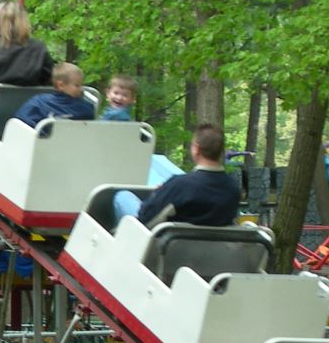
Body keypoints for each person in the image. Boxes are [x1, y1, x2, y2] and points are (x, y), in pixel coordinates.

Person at [112, 123, 241, 228]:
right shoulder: (233, 189)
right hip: (215, 253)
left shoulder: (180, 185)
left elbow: (145, 220)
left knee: (122, 196)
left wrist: (157, 195)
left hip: (170, 252)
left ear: (196, 149)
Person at [13, 62, 95, 127]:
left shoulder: (84, 108)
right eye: (77, 85)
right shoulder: (39, 103)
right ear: (61, 85)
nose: (81, 89)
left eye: (81, 85)